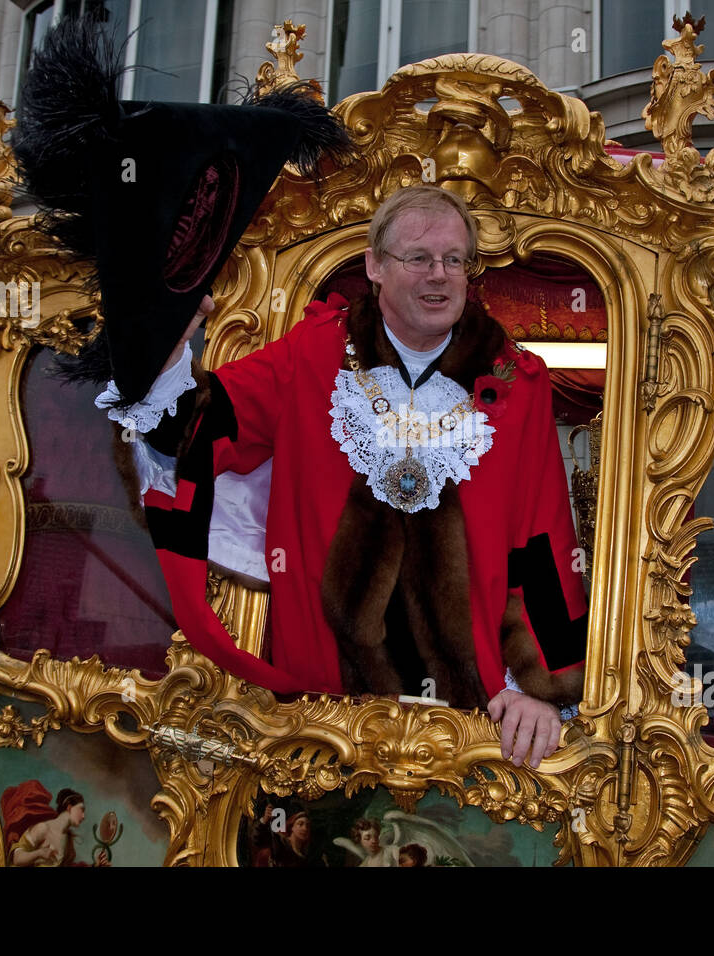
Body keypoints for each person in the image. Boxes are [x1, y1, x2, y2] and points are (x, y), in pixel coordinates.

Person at [110, 187, 587, 769]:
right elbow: (203, 430)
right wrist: (164, 357)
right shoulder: (310, 356)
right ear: (376, 266)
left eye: (455, 260)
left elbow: (542, 540)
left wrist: (543, 689)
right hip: (318, 708)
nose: (439, 275)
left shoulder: (518, 380)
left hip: (466, 717)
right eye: (418, 258)